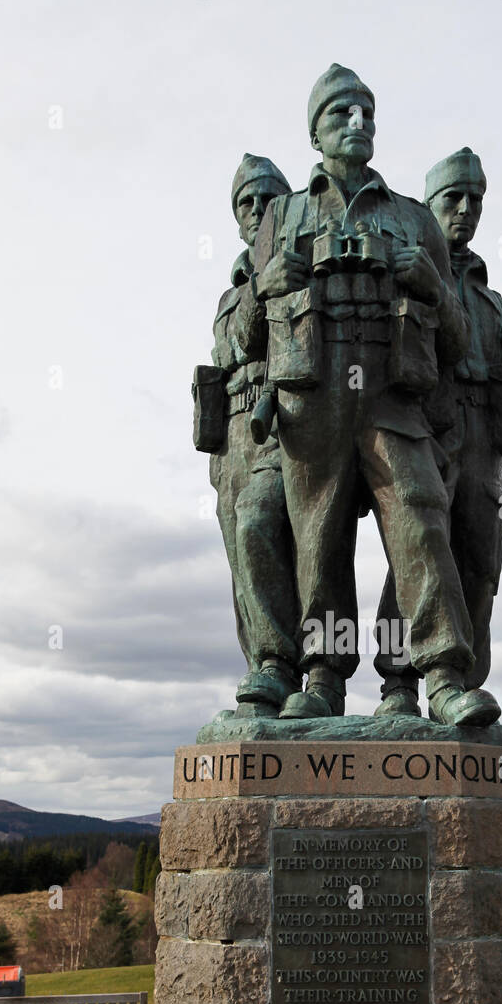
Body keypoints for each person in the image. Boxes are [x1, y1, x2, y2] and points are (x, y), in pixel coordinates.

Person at [234, 66, 501, 727]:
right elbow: (245, 339)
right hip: (312, 398)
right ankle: (322, 678)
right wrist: (266, 286)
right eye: (341, 113)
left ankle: (441, 676)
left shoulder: (413, 218)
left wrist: (435, 290)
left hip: (390, 398)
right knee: (318, 544)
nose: (358, 124)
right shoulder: (283, 214)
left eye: (366, 113)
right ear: (315, 131)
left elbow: (458, 339)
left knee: (421, 524)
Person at [374, 147, 502, 708]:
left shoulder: (494, 303)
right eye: (452, 198)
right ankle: (399, 682)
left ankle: (464, 685)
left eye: (475, 200)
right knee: (415, 551)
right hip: (429, 428)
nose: (465, 209)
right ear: (429, 205)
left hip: (486, 439)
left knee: (480, 562)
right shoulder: (409, 273)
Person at [202, 154, 302, 716]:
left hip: (283, 424)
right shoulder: (231, 291)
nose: (258, 210)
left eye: (268, 199)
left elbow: (259, 343)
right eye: (247, 202)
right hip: (231, 438)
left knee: (261, 525)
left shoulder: (293, 268)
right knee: (242, 563)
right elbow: (229, 353)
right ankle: (264, 678)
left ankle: (281, 662)